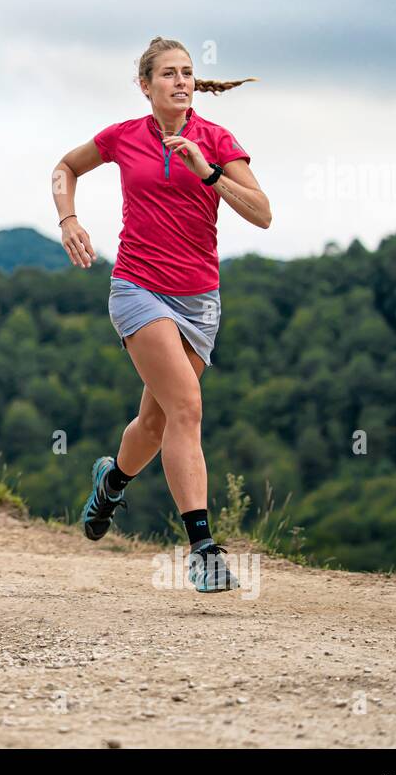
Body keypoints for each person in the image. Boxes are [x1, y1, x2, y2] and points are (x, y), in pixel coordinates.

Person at [49, 36, 272, 593]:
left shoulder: (216, 141)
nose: (181, 81)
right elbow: (65, 166)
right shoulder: (124, 137)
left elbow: (264, 214)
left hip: (199, 301)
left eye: (188, 73)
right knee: (187, 407)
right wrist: (68, 219)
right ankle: (203, 550)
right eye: (168, 74)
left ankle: (112, 482)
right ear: (145, 85)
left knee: (156, 422)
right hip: (137, 289)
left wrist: (211, 173)